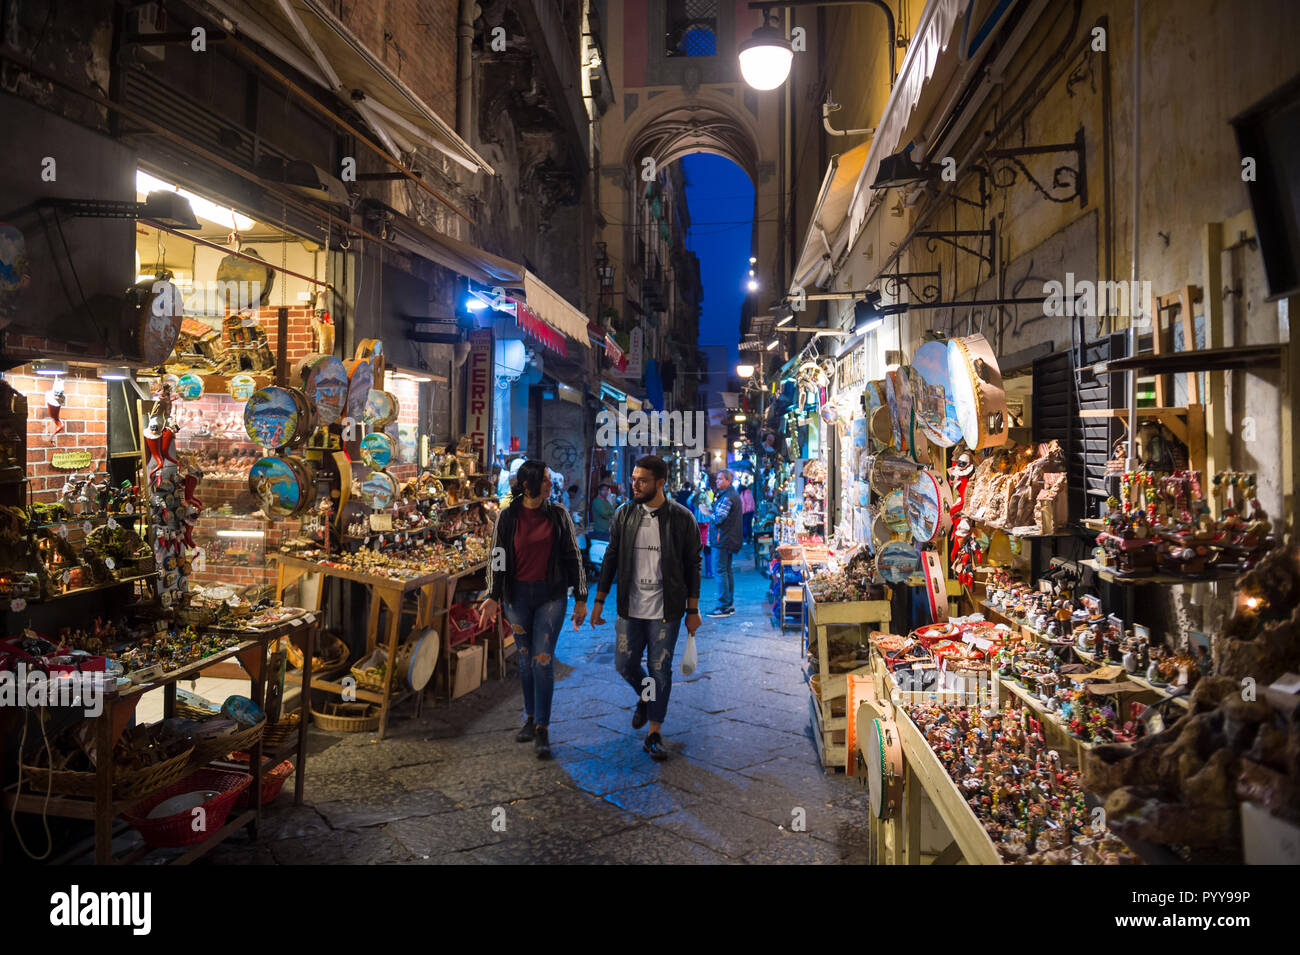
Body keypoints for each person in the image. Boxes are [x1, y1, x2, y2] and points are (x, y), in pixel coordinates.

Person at [590, 455, 702, 761]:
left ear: (660, 483)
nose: (635, 485)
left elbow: (693, 565)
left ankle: (654, 732)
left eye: (642, 480)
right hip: (630, 606)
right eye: (634, 479)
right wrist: (598, 601)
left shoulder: (682, 518)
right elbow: (611, 557)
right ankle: (645, 695)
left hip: (667, 609)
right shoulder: (624, 515)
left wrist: (693, 610)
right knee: (624, 664)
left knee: (659, 669)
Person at [478, 460, 587, 759]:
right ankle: (529, 718)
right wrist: (493, 595)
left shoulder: (558, 515)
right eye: (545, 480)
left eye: (550, 480)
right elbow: (498, 556)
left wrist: (580, 596)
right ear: (528, 485)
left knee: (542, 659)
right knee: (525, 660)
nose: (551, 485)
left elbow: (572, 556)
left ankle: (542, 728)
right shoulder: (508, 517)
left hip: (550, 596)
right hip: (517, 598)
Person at [707, 469, 743, 618]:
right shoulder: (729, 495)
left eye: (720, 479)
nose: (717, 481)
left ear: (728, 481)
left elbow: (719, 518)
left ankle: (724, 606)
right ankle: (728, 604)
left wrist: (706, 512)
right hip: (727, 539)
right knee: (727, 571)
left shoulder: (728, 497)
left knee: (721, 571)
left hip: (722, 540)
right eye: (717, 479)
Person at [691, 478, 714, 579]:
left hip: (697, 535)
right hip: (707, 535)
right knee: (708, 553)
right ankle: (708, 572)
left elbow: (688, 501)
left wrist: (694, 493)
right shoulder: (708, 508)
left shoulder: (695, 508)